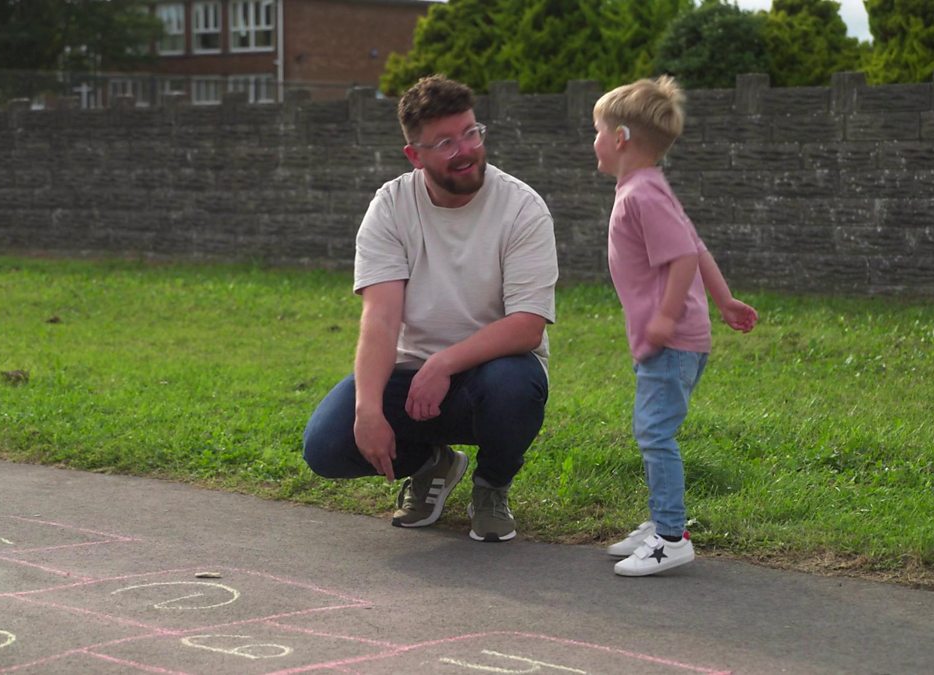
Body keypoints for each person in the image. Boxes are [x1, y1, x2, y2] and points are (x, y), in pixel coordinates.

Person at [303, 75, 558, 543]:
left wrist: (445, 362)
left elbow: (527, 326)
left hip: (491, 374)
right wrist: (367, 410)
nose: (464, 149)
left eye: (470, 132)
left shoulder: (522, 208)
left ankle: (492, 485)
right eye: (444, 142)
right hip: (411, 376)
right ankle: (433, 465)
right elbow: (380, 318)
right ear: (415, 155)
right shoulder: (390, 207)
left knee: (513, 386)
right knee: (327, 445)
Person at [592, 76, 758, 575]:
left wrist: (664, 317)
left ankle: (670, 536)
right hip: (678, 341)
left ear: (620, 138)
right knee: (654, 432)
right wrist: (724, 299)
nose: (593, 141)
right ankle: (663, 520)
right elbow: (697, 245)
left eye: (597, 130)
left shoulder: (642, 194)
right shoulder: (648, 189)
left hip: (671, 341)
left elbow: (684, 253)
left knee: (654, 434)